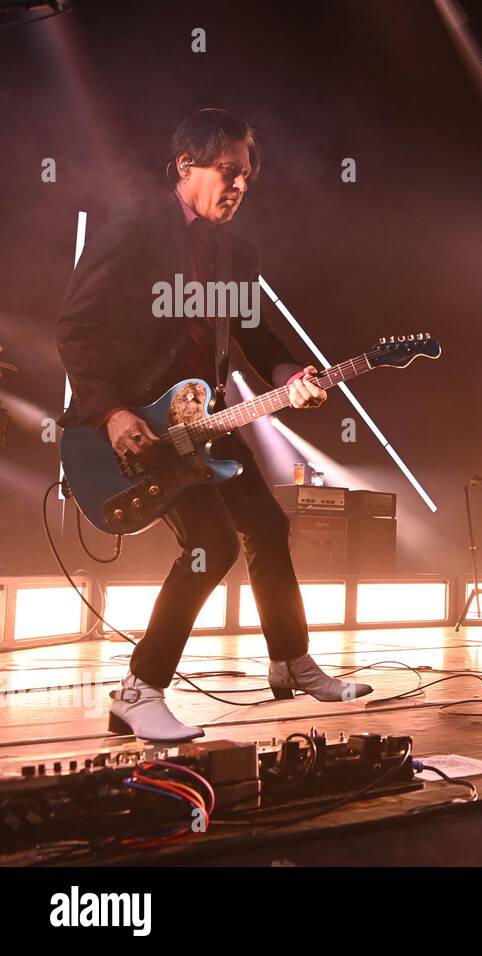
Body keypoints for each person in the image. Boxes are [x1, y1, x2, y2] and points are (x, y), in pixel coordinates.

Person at [56, 109, 372, 742]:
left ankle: (290, 661)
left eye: (248, 177)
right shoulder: (136, 223)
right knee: (214, 545)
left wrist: (289, 376)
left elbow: (253, 331)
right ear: (186, 166)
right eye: (229, 171)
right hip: (134, 422)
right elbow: (77, 327)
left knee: (267, 525)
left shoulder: (234, 251)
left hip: (205, 423)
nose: (240, 186)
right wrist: (112, 412)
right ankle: (138, 691)